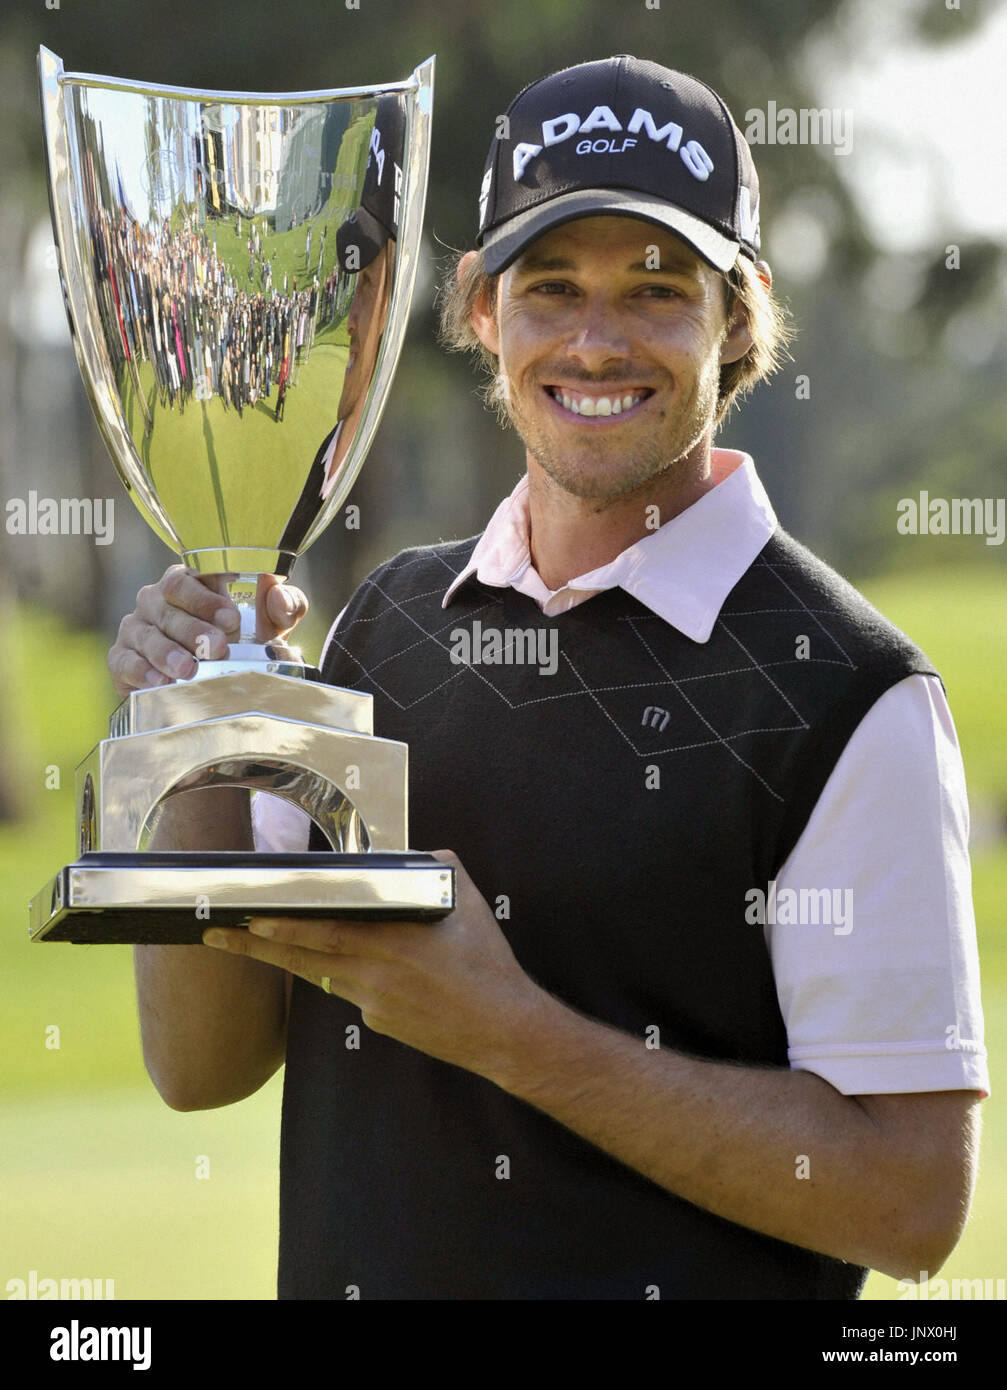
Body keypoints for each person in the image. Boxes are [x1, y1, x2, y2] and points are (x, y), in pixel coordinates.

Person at [112, 56, 988, 1300]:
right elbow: (202, 1066)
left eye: (655, 288)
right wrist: (197, 716)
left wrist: (508, 1033)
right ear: (479, 306)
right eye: (552, 286)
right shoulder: (384, 625)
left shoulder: (848, 694)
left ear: (738, 316)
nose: (594, 340)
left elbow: (907, 1202)